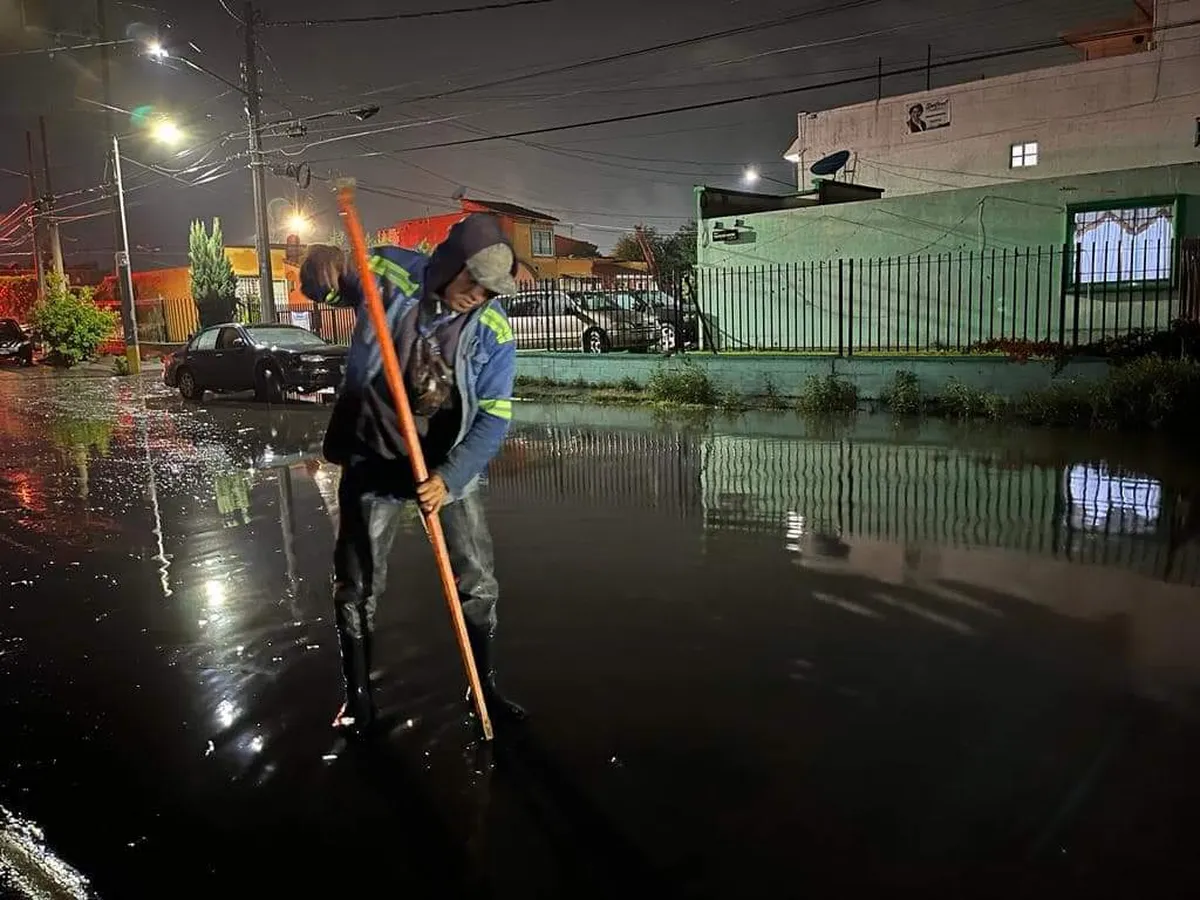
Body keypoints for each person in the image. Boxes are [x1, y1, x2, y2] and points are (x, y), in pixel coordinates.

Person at [299, 214, 525, 736]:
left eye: (493, 290)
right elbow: (327, 286)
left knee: (478, 583)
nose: (481, 297)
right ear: (449, 267)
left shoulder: (493, 332)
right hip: (372, 458)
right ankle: (357, 697)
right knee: (356, 585)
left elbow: (494, 417)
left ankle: (482, 688)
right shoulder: (389, 273)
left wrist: (449, 476)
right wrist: (321, 265)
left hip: (444, 472)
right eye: (475, 283)